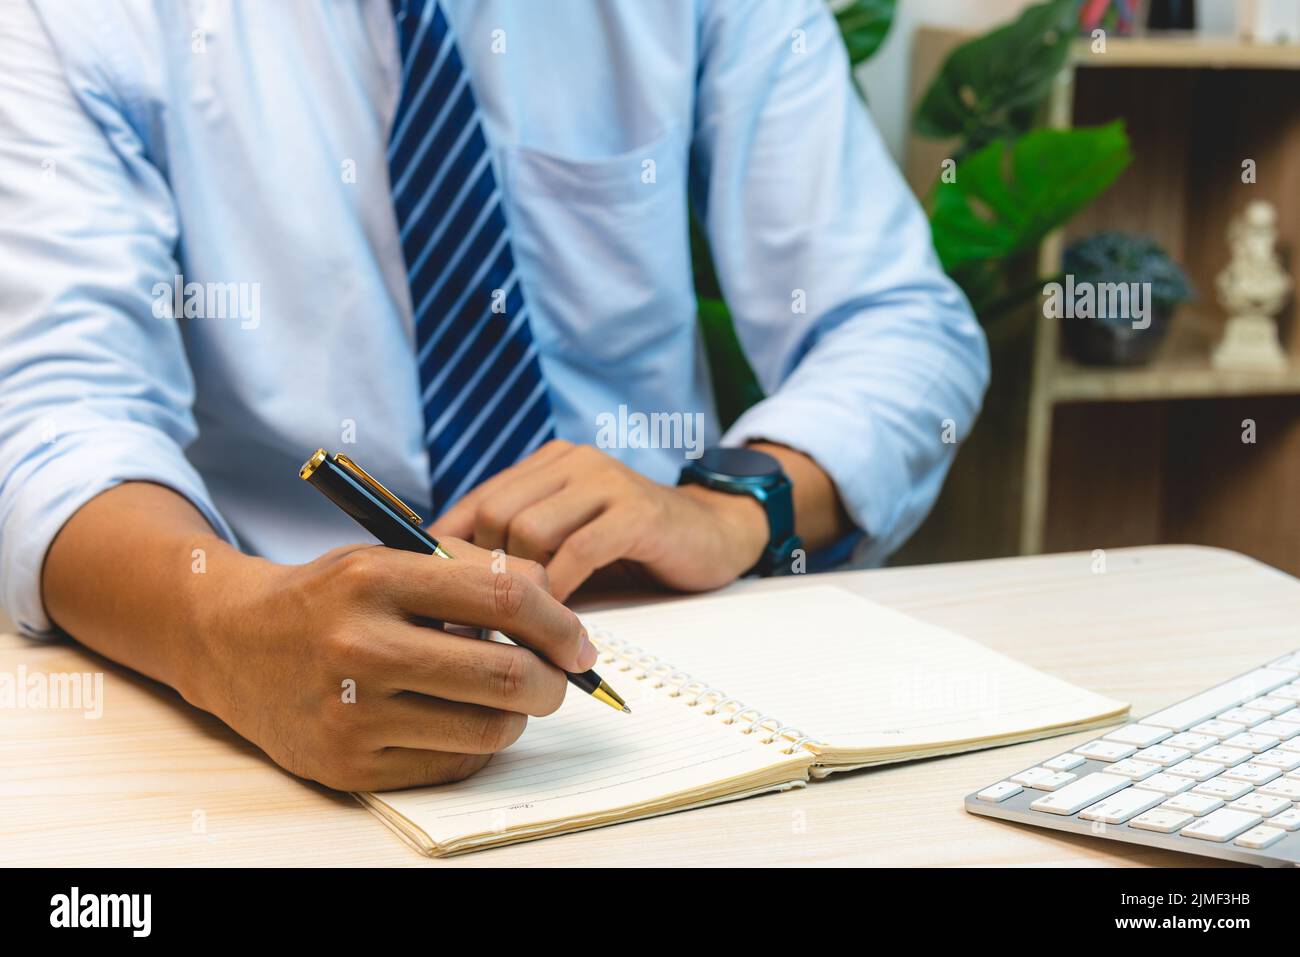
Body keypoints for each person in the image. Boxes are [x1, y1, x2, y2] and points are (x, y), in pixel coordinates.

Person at [0, 0, 989, 790]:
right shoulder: (77, 17)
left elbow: (894, 319)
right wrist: (220, 632)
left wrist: (736, 503)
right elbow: (55, 421)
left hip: (654, 663)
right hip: (280, 685)